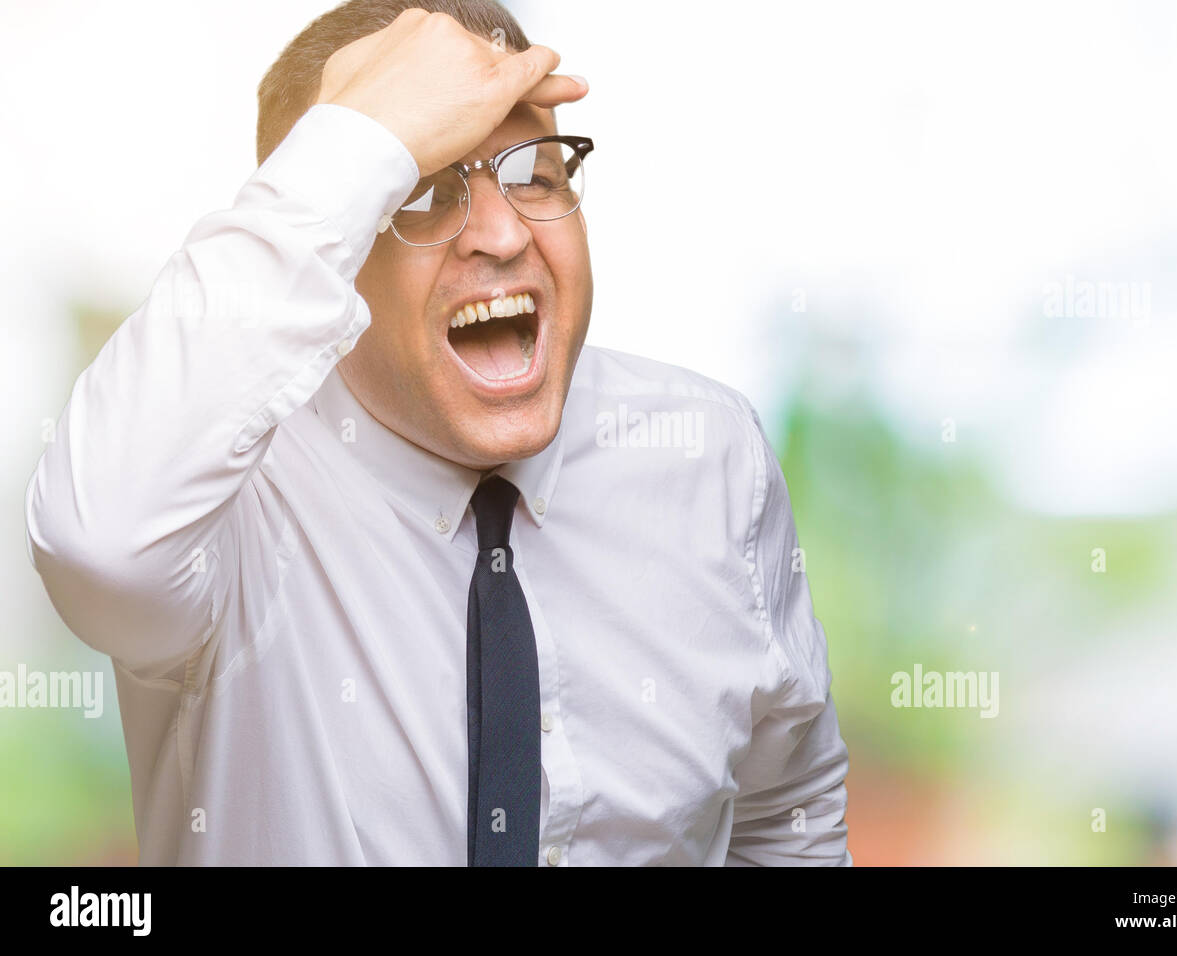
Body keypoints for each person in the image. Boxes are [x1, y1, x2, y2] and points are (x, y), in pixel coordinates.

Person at [24, 0, 852, 866]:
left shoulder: (708, 457)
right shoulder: (228, 502)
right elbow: (99, 545)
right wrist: (355, 143)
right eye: (419, 188)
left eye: (534, 174)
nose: (503, 234)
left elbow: (784, 815)